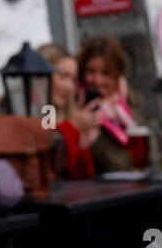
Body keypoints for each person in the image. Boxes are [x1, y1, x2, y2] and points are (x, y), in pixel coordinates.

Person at [36, 41, 102, 178]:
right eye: (63, 76)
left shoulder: (61, 112)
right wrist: (72, 127)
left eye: (73, 79)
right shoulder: (25, 108)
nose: (70, 86)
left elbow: (79, 178)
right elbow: (47, 165)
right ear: (41, 75)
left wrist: (82, 145)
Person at [77, 35, 141, 175]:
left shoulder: (129, 102)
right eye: (90, 71)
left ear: (117, 74)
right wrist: (75, 125)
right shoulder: (72, 103)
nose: (97, 80)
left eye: (105, 73)